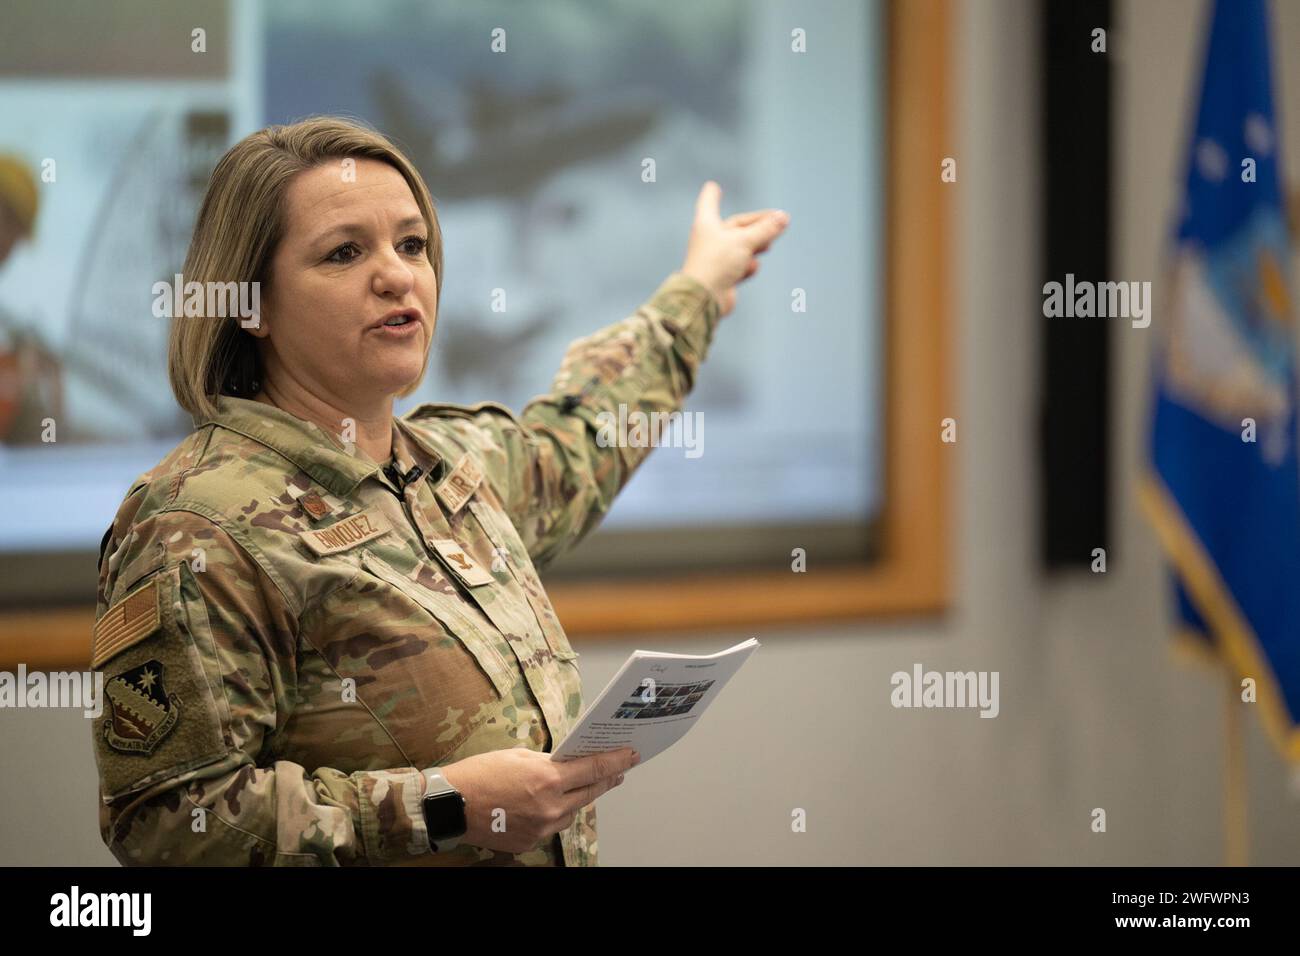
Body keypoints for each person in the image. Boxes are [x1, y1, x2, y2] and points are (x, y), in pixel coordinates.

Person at [90, 116, 789, 866]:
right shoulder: (196, 524)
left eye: (412, 244)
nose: (398, 275)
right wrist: (444, 809)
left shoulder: (451, 465)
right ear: (250, 304)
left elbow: (585, 433)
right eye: (344, 252)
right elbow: (169, 824)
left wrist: (698, 290)